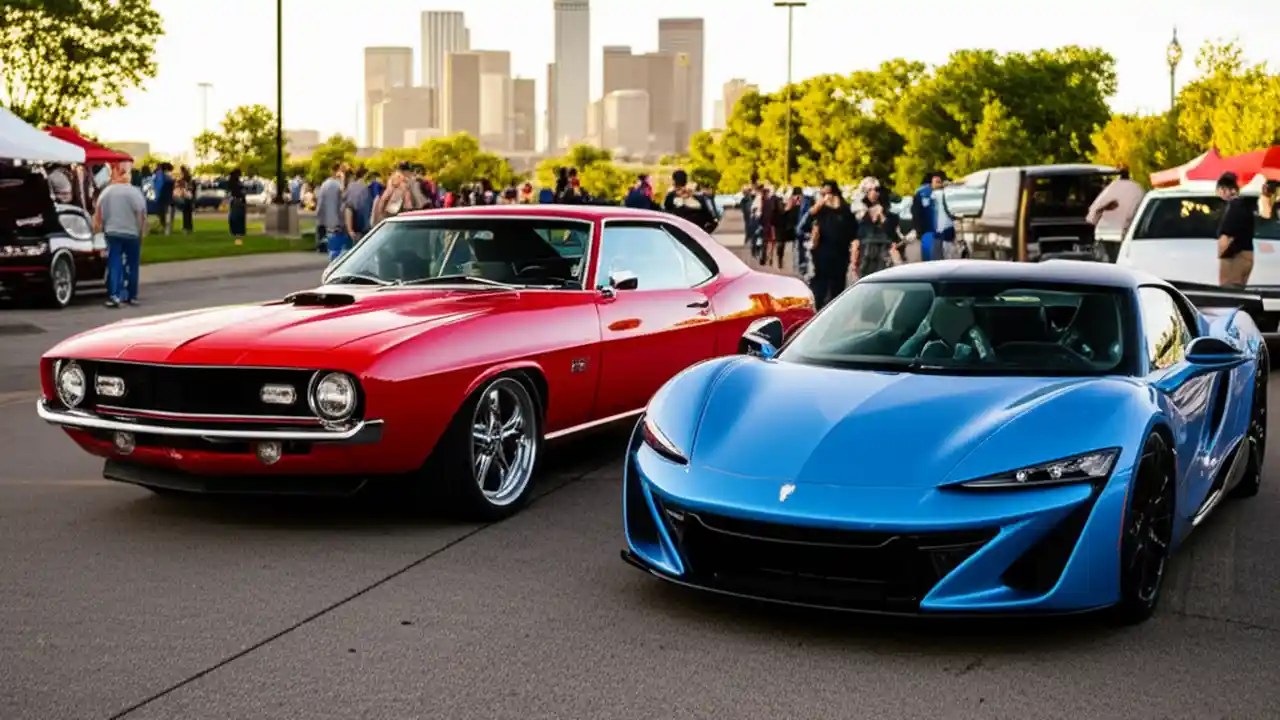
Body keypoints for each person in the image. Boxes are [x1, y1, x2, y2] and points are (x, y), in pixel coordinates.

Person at [93, 163, 147, 308]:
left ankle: (115, 295)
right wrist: (141, 233)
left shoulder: (106, 192)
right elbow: (141, 215)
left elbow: (98, 215)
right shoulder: (135, 193)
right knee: (132, 265)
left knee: (114, 263)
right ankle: (132, 295)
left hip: (112, 232)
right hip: (131, 233)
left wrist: (98, 230)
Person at [807, 180, 858, 309]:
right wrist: (820, 204)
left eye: (828, 193)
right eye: (823, 194)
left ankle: (835, 309)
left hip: (840, 253)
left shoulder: (845, 210)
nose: (826, 197)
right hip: (822, 252)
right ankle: (819, 309)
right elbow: (807, 220)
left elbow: (853, 232)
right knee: (821, 284)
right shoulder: (821, 209)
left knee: (838, 285)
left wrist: (854, 254)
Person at [1087, 167, 1145, 258]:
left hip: (1106, 232)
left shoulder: (1112, 187)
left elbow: (1095, 208)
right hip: (1128, 232)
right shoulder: (1138, 188)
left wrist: (1092, 219)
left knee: (1109, 261)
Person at [1216, 172, 1254, 288]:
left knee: (1229, 294)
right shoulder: (1245, 207)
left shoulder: (1234, 208)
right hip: (1247, 254)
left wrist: (1220, 254)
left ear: (1224, 189)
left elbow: (1226, 236)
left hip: (1234, 258)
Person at [857, 184, 903, 278]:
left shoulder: (891, 216)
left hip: (884, 253)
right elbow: (860, 234)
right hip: (867, 254)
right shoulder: (863, 215)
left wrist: (882, 216)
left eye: (876, 191)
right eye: (869, 191)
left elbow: (891, 232)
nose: (873, 193)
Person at [911, 171, 946, 261]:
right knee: (929, 259)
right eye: (936, 181)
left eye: (940, 182)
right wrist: (918, 230)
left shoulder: (946, 193)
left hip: (943, 233)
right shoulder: (922, 193)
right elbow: (916, 212)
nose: (939, 184)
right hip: (928, 232)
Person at [315, 163, 344, 251]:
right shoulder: (338, 184)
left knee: (324, 233)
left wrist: (318, 213)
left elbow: (320, 201)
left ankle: (322, 246)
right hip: (336, 217)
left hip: (324, 216)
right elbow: (343, 198)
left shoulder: (325, 184)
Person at [227, 168, 247, 244]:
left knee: (235, 216)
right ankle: (238, 231)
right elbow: (238, 191)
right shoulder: (235, 182)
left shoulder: (234, 182)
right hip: (238, 200)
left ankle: (236, 231)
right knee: (237, 216)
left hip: (236, 200)